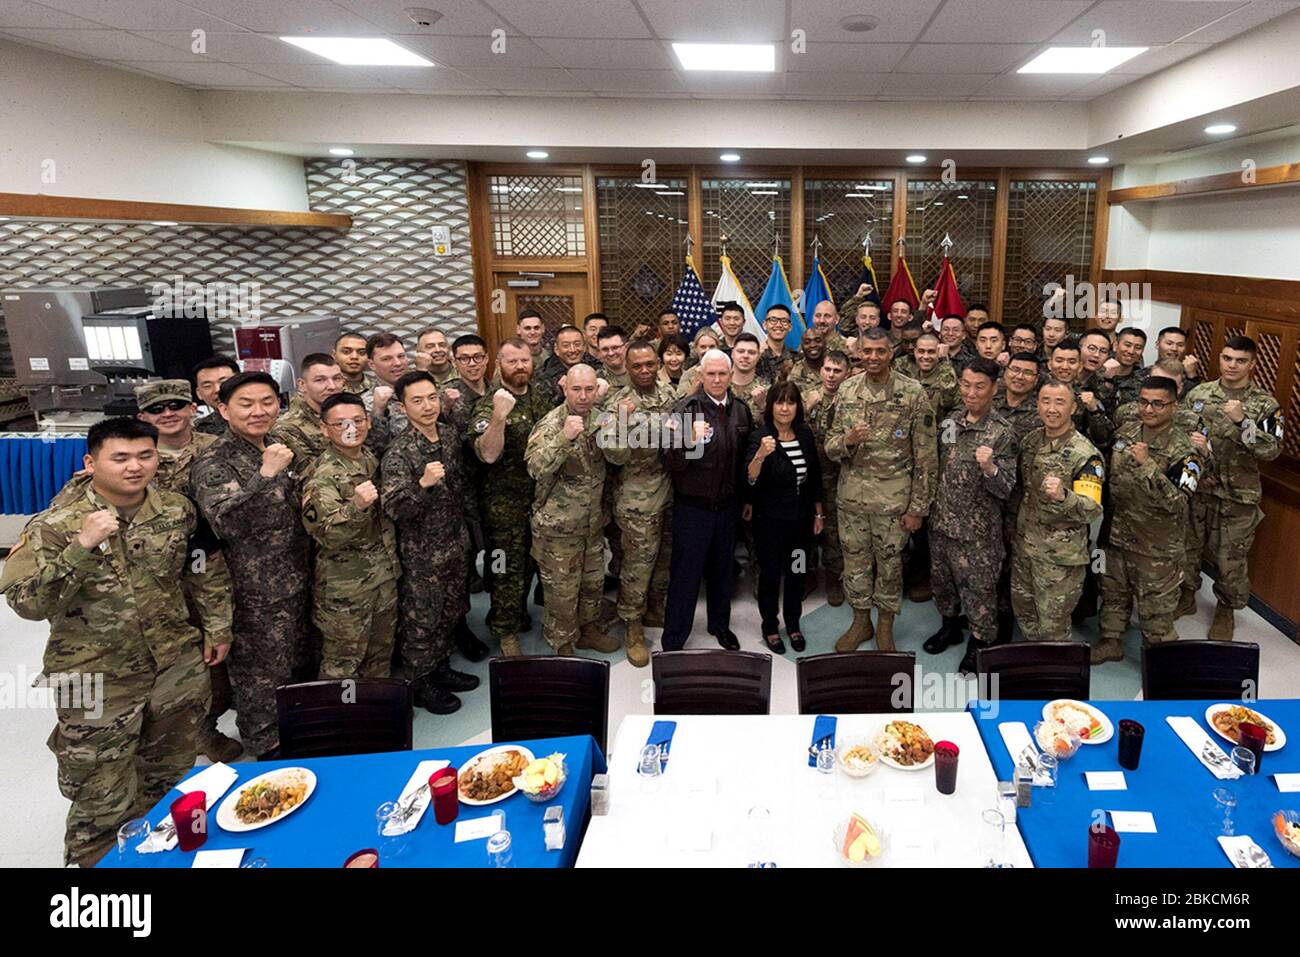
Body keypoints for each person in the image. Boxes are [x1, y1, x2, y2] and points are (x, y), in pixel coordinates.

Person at [2, 417, 230, 866]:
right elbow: (27, 603)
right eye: (120, 458)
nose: (135, 467)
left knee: (171, 776)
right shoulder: (54, 525)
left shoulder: (177, 511)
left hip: (173, 664)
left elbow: (203, 569)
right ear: (91, 462)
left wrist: (217, 625)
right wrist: (81, 548)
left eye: (145, 456)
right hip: (93, 675)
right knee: (100, 794)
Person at [191, 371, 312, 759]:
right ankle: (266, 747)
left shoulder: (278, 443)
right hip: (253, 590)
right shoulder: (214, 462)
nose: (258, 411)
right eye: (246, 404)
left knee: (294, 664)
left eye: (267, 402)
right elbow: (224, 522)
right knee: (260, 676)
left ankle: (297, 733)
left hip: (296, 576)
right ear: (223, 410)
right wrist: (265, 475)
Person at [825, 328, 937, 652]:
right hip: (852, 498)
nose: (872, 357)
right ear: (859, 352)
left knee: (890, 565)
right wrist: (848, 440)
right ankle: (861, 622)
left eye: (880, 351)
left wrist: (918, 508)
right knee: (855, 564)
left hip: (894, 500)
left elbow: (927, 456)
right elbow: (830, 446)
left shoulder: (913, 392)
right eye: (867, 351)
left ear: (892, 353)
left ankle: (885, 625)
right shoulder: (846, 390)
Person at [382, 371, 481, 712]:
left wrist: (474, 534)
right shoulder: (399, 452)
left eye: (432, 398)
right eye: (417, 400)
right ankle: (419, 682)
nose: (427, 407)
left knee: (451, 610)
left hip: (455, 542)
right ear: (402, 406)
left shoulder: (450, 436)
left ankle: (440, 668)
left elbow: (464, 491)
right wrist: (421, 484)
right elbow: (394, 507)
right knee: (422, 619)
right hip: (422, 553)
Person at [1093, 377, 1203, 663]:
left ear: (1174, 406)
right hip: (1117, 534)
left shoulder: (1186, 450)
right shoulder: (1126, 432)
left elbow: (1179, 501)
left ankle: (1160, 660)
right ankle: (1111, 642)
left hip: (1157, 545)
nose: (1149, 409)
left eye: (1158, 403)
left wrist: (1148, 465)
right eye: (1143, 401)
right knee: (1113, 594)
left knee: (1156, 610)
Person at [1180, 335, 1283, 639]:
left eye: (1240, 361)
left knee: (1230, 558)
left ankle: (1226, 609)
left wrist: (1243, 423)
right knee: (1188, 547)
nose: (1232, 365)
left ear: (1252, 364)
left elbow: (1272, 450)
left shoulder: (1265, 404)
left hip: (1238, 495)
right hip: (1199, 488)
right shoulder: (1199, 393)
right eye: (1227, 358)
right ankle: (1186, 595)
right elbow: (1180, 437)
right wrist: (1197, 472)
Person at [925, 360, 1019, 672]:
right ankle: (950, 627)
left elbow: (1006, 488)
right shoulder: (951, 421)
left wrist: (990, 467)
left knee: (979, 591)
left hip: (977, 534)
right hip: (941, 523)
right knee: (943, 584)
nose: (971, 392)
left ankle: (980, 643)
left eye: (979, 386)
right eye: (966, 384)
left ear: (995, 388)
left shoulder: (1002, 432)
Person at [302, 393, 400, 680]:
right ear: (324, 428)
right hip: (346, 590)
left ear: (368, 422)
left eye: (357, 420)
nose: (350, 428)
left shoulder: (369, 458)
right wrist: (355, 507)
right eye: (340, 423)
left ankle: (377, 715)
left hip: (383, 577)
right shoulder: (322, 476)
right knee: (342, 665)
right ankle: (342, 722)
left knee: (380, 655)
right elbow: (325, 535)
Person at [662, 349, 755, 651]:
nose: (716, 379)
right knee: (685, 575)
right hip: (693, 508)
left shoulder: (741, 410)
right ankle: (674, 638)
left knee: (722, 572)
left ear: (730, 376)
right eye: (710, 374)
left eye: (722, 374)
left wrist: (747, 499)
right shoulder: (684, 410)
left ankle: (719, 625)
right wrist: (689, 440)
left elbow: (745, 461)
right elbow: (670, 461)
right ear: (700, 376)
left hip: (727, 507)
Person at [525, 365, 620, 656]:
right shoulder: (551, 423)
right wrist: (563, 439)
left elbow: (610, 467)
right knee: (561, 591)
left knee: (593, 583)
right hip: (558, 527)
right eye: (576, 389)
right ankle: (562, 642)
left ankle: (588, 630)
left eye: (589, 389)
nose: (583, 396)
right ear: (565, 388)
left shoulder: (601, 419)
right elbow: (535, 468)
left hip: (591, 523)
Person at [470, 338, 554, 655]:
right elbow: (488, 455)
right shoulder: (488, 403)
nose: (520, 366)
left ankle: (519, 616)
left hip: (540, 501)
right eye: (512, 361)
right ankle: (505, 632)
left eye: (525, 360)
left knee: (533, 565)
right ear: (499, 365)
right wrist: (499, 417)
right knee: (505, 570)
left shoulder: (542, 394)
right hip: (502, 509)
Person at [600, 342, 677, 666]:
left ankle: (654, 609)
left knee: (663, 559)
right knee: (637, 565)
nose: (644, 370)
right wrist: (623, 423)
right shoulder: (618, 402)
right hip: (635, 497)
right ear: (627, 368)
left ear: (657, 363)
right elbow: (613, 453)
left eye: (649, 364)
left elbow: (682, 437)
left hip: (671, 490)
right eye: (637, 366)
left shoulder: (668, 394)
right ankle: (632, 624)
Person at [1010, 381, 1105, 642]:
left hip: (1059, 559)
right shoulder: (1030, 442)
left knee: (1053, 626)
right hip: (1025, 547)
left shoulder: (1085, 454)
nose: (1051, 409)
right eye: (1045, 401)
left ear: (1073, 407)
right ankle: (1035, 666)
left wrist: (1065, 496)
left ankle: (1054, 678)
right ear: (1037, 404)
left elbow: (1092, 509)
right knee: (1025, 614)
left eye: (1060, 402)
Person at [745, 381, 824, 653]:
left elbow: (813, 477)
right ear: (770, 406)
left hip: (800, 525)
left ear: (798, 407)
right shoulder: (761, 436)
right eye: (779, 402)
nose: (785, 408)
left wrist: (818, 513)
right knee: (769, 576)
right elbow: (750, 479)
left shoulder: (804, 434)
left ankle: (793, 624)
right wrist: (760, 455)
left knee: (797, 573)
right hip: (770, 524)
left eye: (790, 402)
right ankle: (770, 626)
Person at [804, 350, 850, 606]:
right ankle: (804, 574)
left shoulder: (850, 397)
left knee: (833, 530)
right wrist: (809, 405)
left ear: (846, 373)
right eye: (828, 369)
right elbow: (787, 423)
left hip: (837, 475)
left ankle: (834, 577)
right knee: (802, 530)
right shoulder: (807, 394)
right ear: (820, 370)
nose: (831, 375)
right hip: (806, 475)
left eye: (837, 371)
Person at [268, 352, 344, 477]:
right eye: (320, 380)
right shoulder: (287, 428)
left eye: (336, 378)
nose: (332, 386)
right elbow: (310, 475)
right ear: (302, 385)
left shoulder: (348, 411)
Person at [362, 332, 412, 454]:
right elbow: (372, 449)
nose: (397, 363)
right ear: (371, 364)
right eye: (387, 359)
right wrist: (378, 412)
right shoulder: (366, 404)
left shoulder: (422, 390)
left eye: (401, 356)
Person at [895, 331, 959, 420]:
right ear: (915, 352)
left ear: (939, 353)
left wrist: (944, 361)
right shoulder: (907, 378)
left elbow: (949, 400)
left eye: (931, 352)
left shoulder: (946, 377)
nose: (925, 356)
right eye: (921, 351)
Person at [538, 325, 587, 404]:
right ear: (556, 349)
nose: (572, 350)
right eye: (566, 345)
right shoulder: (546, 378)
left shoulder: (594, 370)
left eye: (577, 344)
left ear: (584, 347)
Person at [192, 355, 239, 434]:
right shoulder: (199, 431)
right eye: (207, 386)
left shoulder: (263, 415)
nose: (217, 389)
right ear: (199, 393)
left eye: (224, 382)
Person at [1155, 326, 1202, 393]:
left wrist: (1192, 376)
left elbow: (1194, 399)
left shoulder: (1190, 377)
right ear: (1157, 344)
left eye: (1180, 345)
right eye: (1169, 343)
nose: (1174, 348)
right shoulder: (1141, 375)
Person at [756, 305, 795, 382]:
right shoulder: (754, 355)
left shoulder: (796, 358)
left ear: (790, 327)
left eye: (784, 321)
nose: (778, 325)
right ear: (764, 325)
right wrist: (756, 357)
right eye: (773, 320)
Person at [788, 326, 827, 395]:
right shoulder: (796, 372)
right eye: (807, 342)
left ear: (825, 343)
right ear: (802, 346)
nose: (813, 345)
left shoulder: (834, 366)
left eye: (818, 340)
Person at [597, 325, 630, 389]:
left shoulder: (641, 373)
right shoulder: (595, 380)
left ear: (626, 347)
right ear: (599, 352)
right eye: (605, 349)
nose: (611, 353)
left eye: (615, 348)